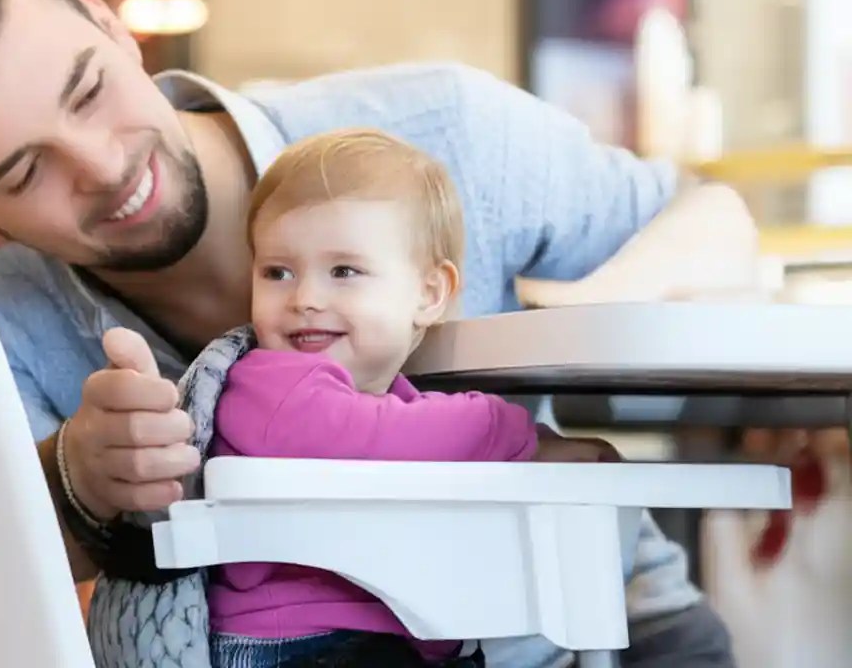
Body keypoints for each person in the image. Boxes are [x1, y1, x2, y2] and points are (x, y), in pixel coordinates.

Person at [0, 0, 750, 664]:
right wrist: (78, 481)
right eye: (27, 172)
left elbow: (712, 214)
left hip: (611, 633)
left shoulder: (448, 130)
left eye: (88, 90)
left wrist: (574, 316)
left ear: (113, 28)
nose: (104, 166)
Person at [208, 128, 619, 667]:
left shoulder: (397, 405)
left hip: (369, 639)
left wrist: (536, 452)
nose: (305, 298)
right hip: (296, 646)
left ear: (429, 294)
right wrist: (514, 433)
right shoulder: (270, 386)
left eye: (344, 271)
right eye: (277, 272)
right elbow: (380, 436)